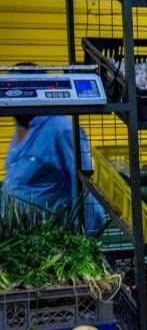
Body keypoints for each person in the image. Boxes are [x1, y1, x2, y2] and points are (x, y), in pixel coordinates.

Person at [3, 66, 105, 233]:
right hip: (17, 237)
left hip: (48, 238)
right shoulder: (21, 124)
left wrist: (87, 238)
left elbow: (84, 187)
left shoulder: (61, 129)